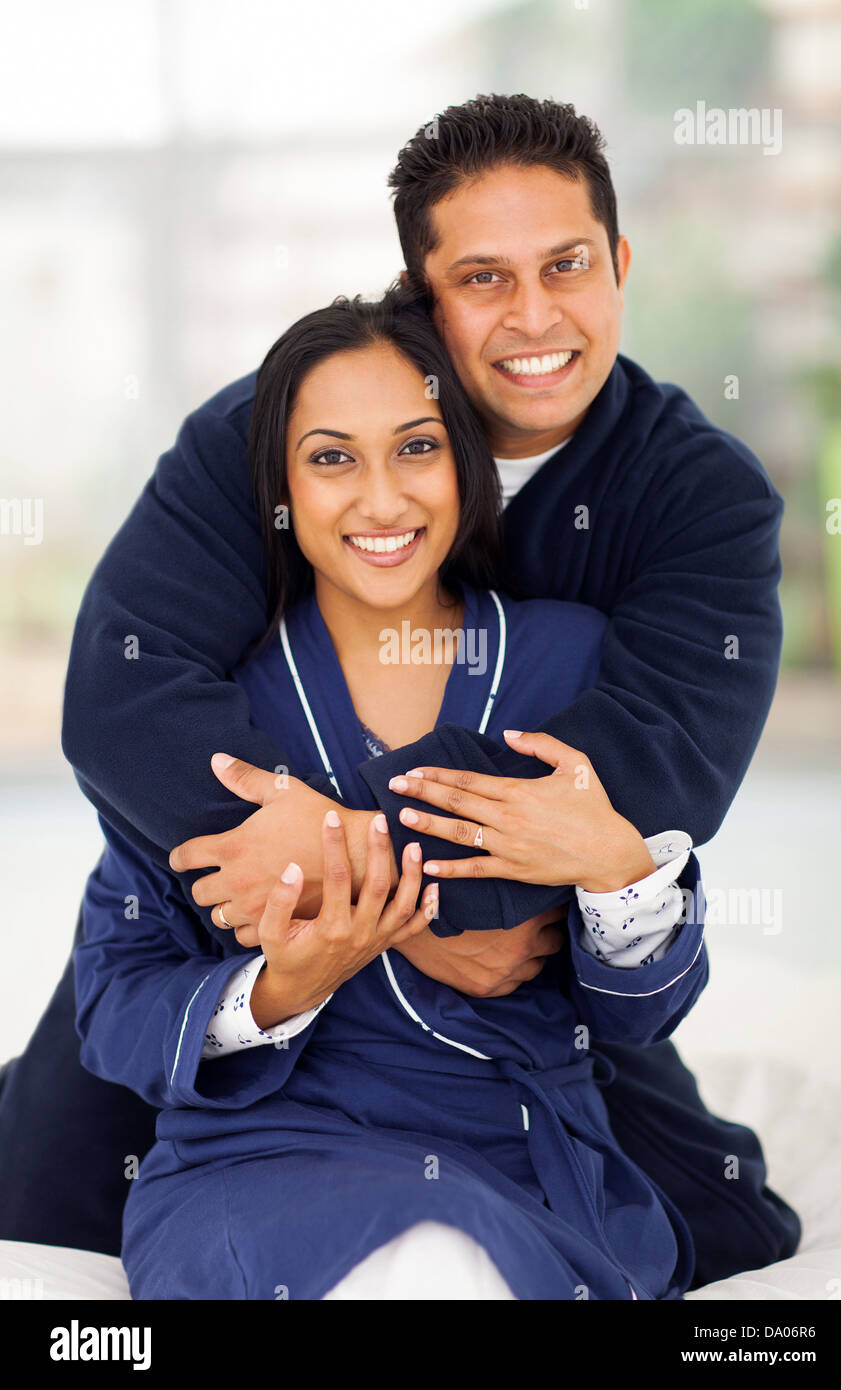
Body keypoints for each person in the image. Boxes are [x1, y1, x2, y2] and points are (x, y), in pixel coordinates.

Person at [0, 94, 800, 1286]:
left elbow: (646, 772)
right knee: (46, 1194)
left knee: (695, 1224)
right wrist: (361, 900)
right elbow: (124, 698)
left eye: (567, 266)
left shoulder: (700, 499)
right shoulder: (279, 430)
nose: (535, 317)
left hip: (531, 968)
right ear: (422, 298)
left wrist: (396, 888)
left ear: (619, 264)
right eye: (483, 278)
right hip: (249, 910)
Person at [75, 286, 708, 1300]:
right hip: (265, 1162)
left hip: (521, 1159)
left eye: (416, 447)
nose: (379, 499)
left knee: (456, 1256)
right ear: (277, 491)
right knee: (419, 1261)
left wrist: (611, 869)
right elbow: (113, 995)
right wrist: (284, 983)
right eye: (331, 458)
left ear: (467, 460)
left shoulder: (571, 664)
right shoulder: (211, 714)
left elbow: (644, 1007)